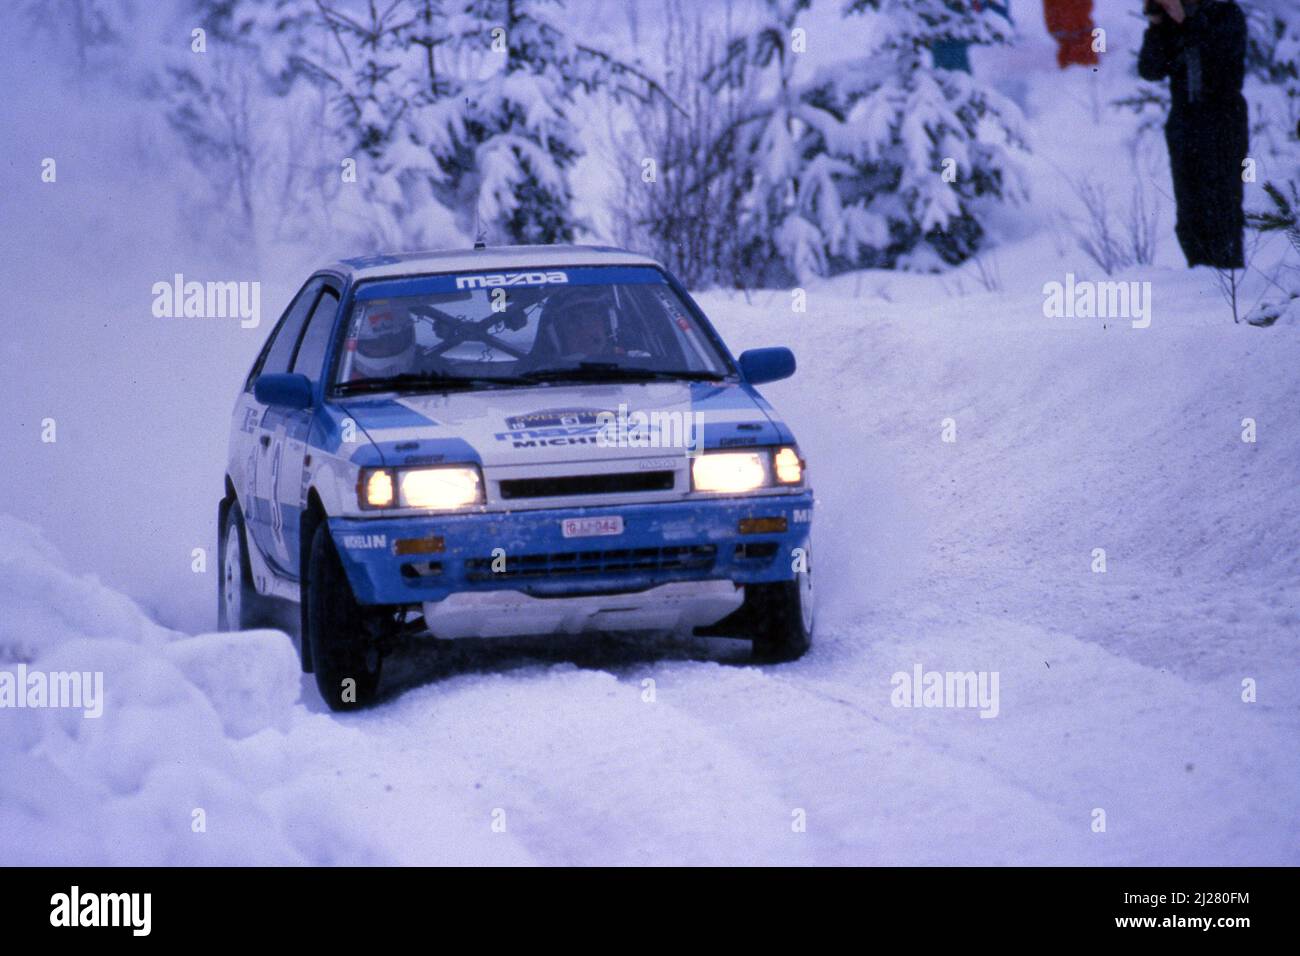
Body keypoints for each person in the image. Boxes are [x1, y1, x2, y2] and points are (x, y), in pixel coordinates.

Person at [1138, 0, 1248, 269]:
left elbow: (1219, 60)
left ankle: (1227, 277)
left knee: (1223, 207)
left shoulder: (1226, 13)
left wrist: (1184, 19)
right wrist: (1157, 24)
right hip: (1185, 122)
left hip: (1223, 121)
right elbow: (1150, 69)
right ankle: (1198, 274)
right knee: (1189, 213)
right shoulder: (1173, 22)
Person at [348, 307, 416, 380]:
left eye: (393, 340)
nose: (386, 349)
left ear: (407, 337)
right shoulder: (342, 375)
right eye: (376, 345)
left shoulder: (425, 367)